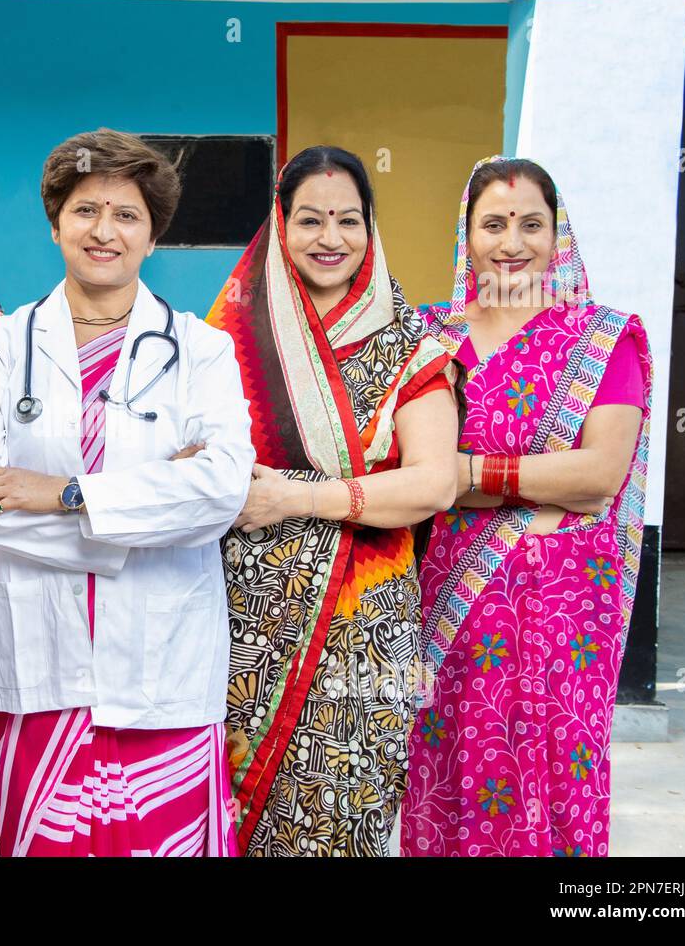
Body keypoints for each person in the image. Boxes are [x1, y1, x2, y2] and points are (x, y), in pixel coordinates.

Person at [0, 128, 254, 856]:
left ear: (152, 237)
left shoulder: (201, 350)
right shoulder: (1, 345)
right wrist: (150, 508)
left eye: (127, 215)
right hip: (40, 671)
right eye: (86, 210)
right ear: (56, 224)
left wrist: (65, 494)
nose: (104, 231)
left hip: (164, 673)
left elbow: (220, 490)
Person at [207, 145, 458, 856]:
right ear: (280, 226)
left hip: (364, 621)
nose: (330, 238)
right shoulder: (226, 338)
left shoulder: (412, 347)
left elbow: (433, 483)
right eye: (310, 219)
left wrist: (296, 497)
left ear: (370, 231)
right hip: (242, 615)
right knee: (239, 798)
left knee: (347, 799)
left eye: (348, 220)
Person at [402, 157, 651, 857]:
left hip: (566, 602)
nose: (512, 243)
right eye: (494, 224)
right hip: (453, 594)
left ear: (557, 235)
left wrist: (467, 472)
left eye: (531, 224)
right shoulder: (428, 335)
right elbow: (414, 470)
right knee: (454, 760)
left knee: (558, 759)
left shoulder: (604, 339)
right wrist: (539, 478)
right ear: (467, 235)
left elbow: (599, 474)